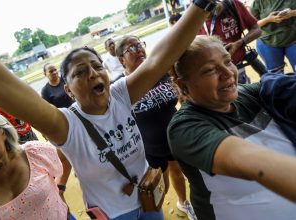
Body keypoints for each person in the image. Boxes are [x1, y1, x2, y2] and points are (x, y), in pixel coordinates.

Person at [0, 0, 223, 218]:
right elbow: (20, 99)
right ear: (68, 90)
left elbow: (158, 60)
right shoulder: (66, 125)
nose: (92, 74)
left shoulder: (121, 94)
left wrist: (201, 5)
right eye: (79, 72)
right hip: (116, 213)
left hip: (149, 195)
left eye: (96, 66)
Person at [168, 35, 296, 220]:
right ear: (183, 86)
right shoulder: (184, 129)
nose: (228, 73)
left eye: (228, 61)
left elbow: (281, 87)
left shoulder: (254, 94)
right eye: (210, 70)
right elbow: (250, 162)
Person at [115, 35, 196, 220]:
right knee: (159, 186)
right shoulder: (121, 88)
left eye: (139, 45)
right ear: (121, 60)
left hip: (175, 136)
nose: (139, 50)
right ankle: (154, 214)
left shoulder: (159, 72)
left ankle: (183, 203)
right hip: (150, 146)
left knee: (179, 173)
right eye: (131, 49)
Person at [198, 0, 262, 83]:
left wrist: (239, 43)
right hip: (213, 75)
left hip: (238, 68)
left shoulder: (233, 5)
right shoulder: (192, 18)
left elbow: (257, 30)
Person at [41, 63, 73, 204]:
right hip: (62, 124)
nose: (54, 72)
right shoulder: (46, 91)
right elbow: (46, 110)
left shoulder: (65, 81)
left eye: (55, 70)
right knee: (65, 151)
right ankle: (58, 189)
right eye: (51, 71)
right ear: (45, 74)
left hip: (77, 116)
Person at [250, 0, 296, 74]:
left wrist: (292, 13)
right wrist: (268, 19)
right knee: (276, 76)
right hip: (268, 42)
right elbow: (252, 25)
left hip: (293, 39)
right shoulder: (258, 2)